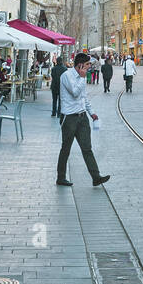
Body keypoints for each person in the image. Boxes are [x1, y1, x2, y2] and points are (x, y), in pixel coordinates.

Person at [55, 52, 110, 188]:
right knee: (66, 148)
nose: (89, 67)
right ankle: (61, 177)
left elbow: (83, 97)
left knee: (87, 148)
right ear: (80, 65)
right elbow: (75, 92)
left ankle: (96, 177)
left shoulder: (81, 77)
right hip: (69, 118)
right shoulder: (67, 76)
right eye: (87, 64)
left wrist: (92, 113)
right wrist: (82, 78)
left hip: (82, 117)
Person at [50, 55, 68, 120]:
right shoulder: (65, 69)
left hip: (54, 86)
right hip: (61, 87)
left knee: (54, 100)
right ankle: (59, 113)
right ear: (62, 61)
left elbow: (52, 76)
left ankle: (53, 113)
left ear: (57, 61)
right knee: (61, 100)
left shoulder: (53, 69)